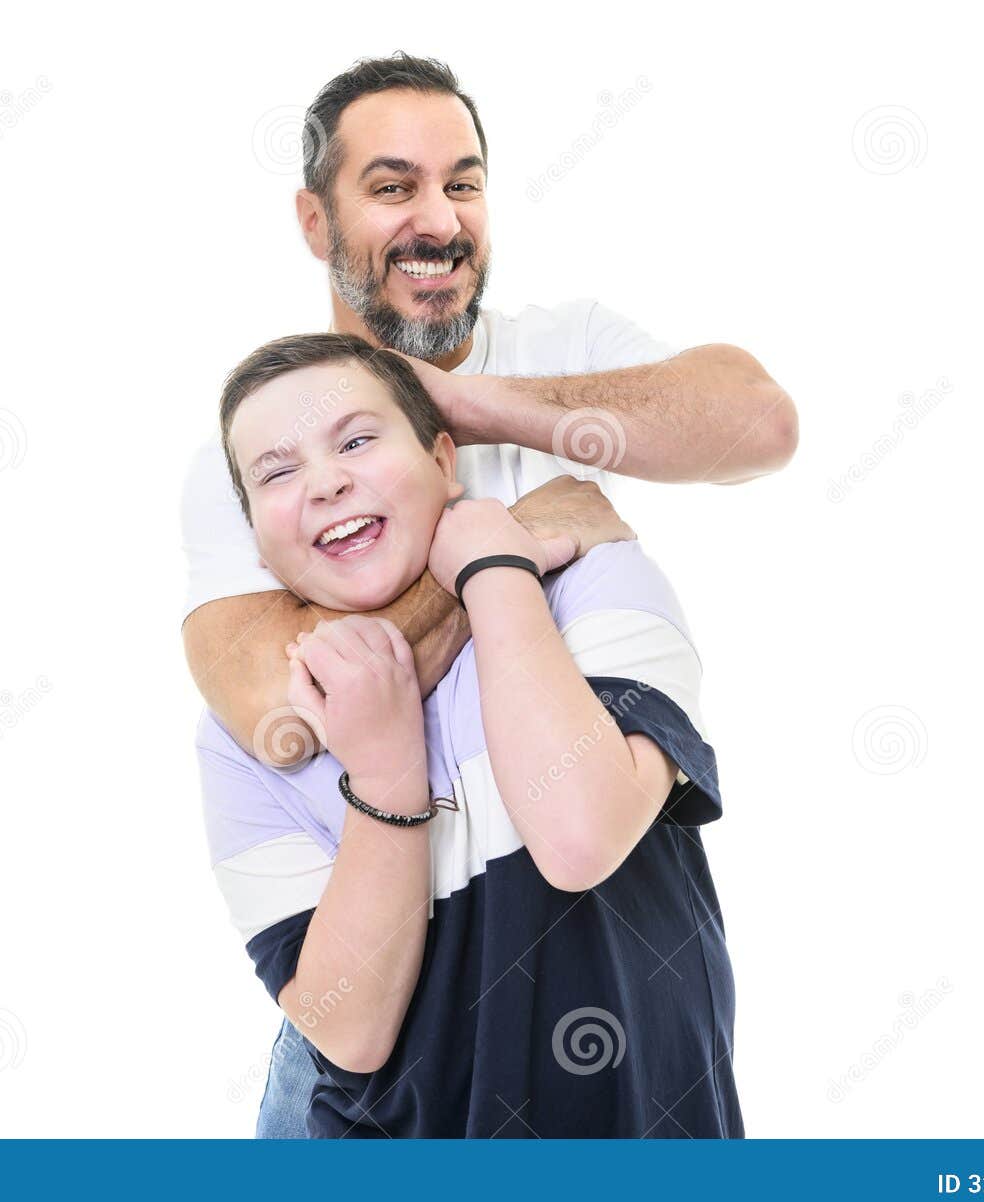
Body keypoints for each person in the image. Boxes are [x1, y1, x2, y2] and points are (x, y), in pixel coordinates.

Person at [182, 53, 794, 1137]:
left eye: (461, 183)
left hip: (607, 998)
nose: (437, 218)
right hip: (377, 1062)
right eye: (391, 186)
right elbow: (285, 717)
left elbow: (756, 425)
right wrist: (497, 554)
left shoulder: (570, 360)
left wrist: (465, 401)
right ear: (316, 224)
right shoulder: (246, 453)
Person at [199, 333, 740, 1138]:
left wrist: (495, 574)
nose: (326, 481)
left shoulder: (589, 578)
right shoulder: (242, 737)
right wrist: (384, 772)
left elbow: (581, 837)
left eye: (355, 440)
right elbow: (345, 1031)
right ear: (258, 545)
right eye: (276, 472)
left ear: (444, 459)